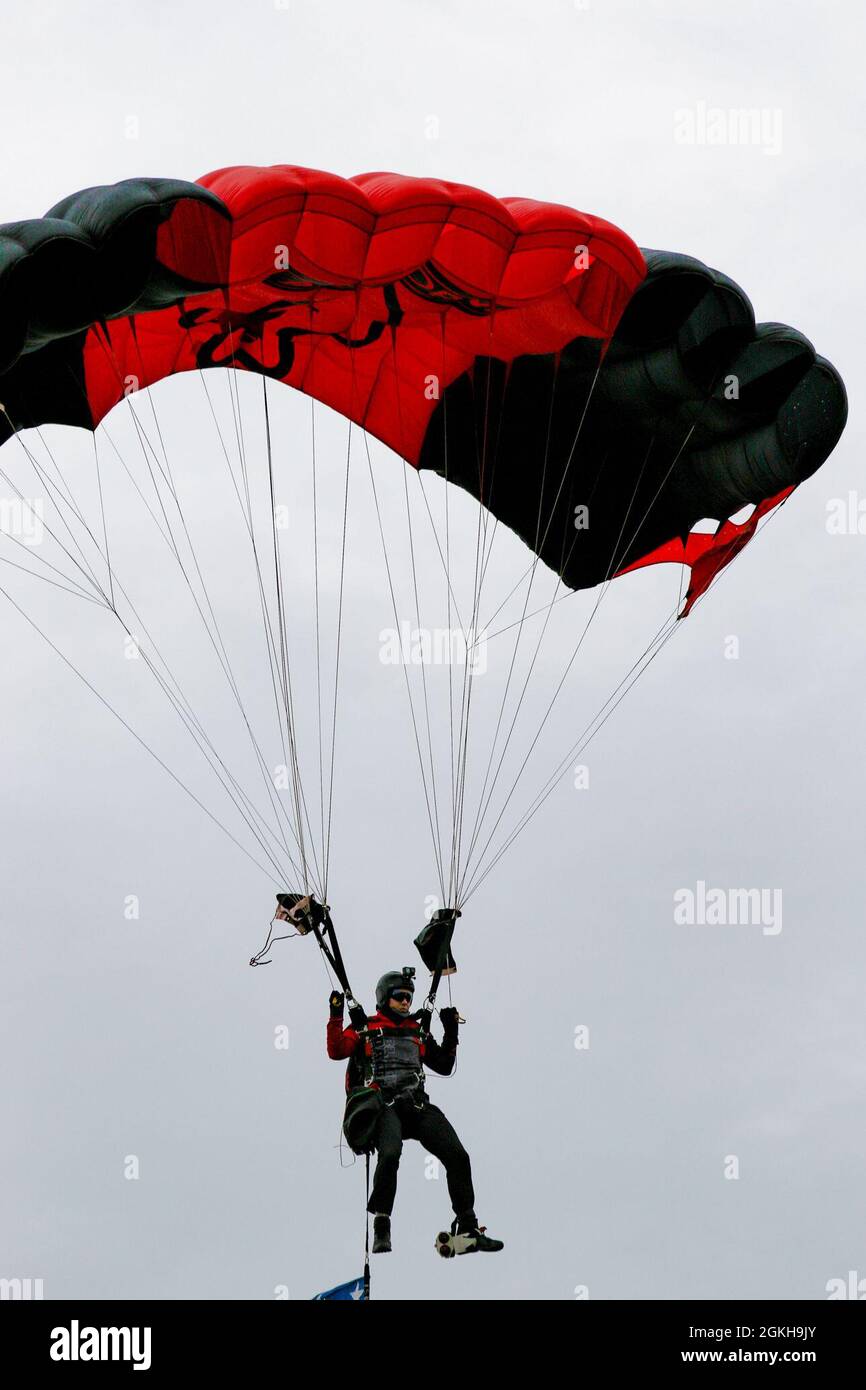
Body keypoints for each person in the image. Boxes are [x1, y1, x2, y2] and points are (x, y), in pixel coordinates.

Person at [327, 968, 503, 1255]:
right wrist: (336, 1015)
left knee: (458, 1156)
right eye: (400, 997)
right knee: (391, 1153)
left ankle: (468, 1229)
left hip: (417, 1106)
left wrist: (451, 1030)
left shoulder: (417, 1031)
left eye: (409, 997)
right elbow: (337, 1050)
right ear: (386, 999)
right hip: (385, 1106)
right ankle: (382, 1224)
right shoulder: (365, 1027)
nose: (406, 1002)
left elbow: (444, 1065)